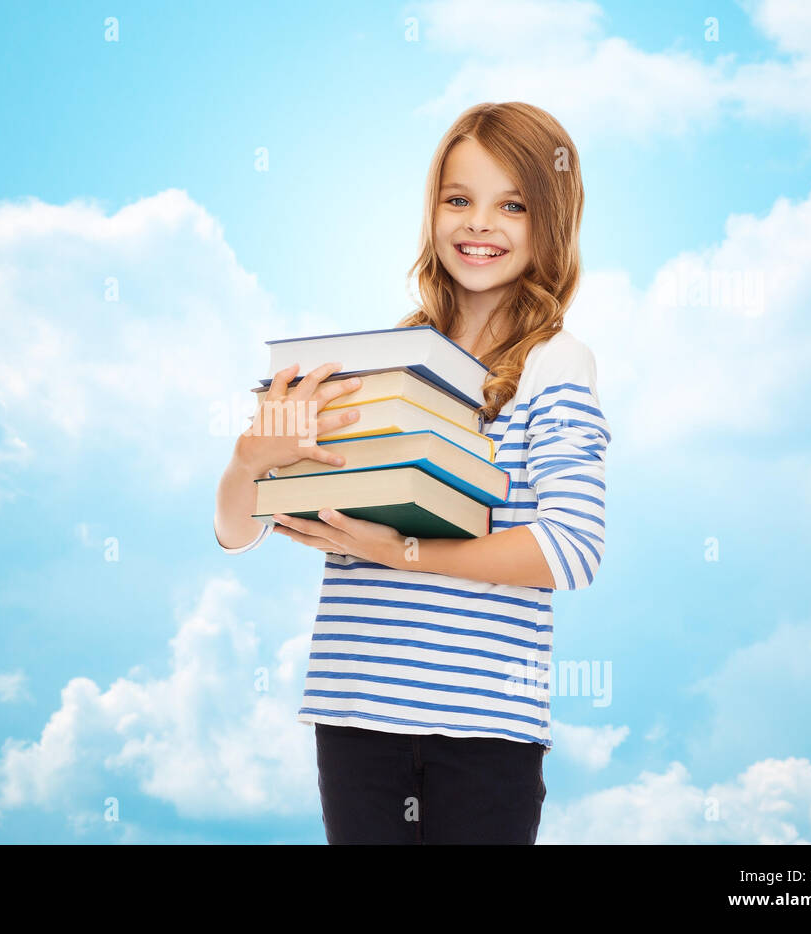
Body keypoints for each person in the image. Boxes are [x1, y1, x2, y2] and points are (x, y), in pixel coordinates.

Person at [213, 102, 611, 844]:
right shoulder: (378, 363)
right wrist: (249, 461)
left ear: (551, 221)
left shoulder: (556, 363)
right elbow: (239, 533)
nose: (478, 224)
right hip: (354, 712)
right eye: (457, 199)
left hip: (484, 728)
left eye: (512, 205)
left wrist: (397, 553)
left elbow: (571, 550)